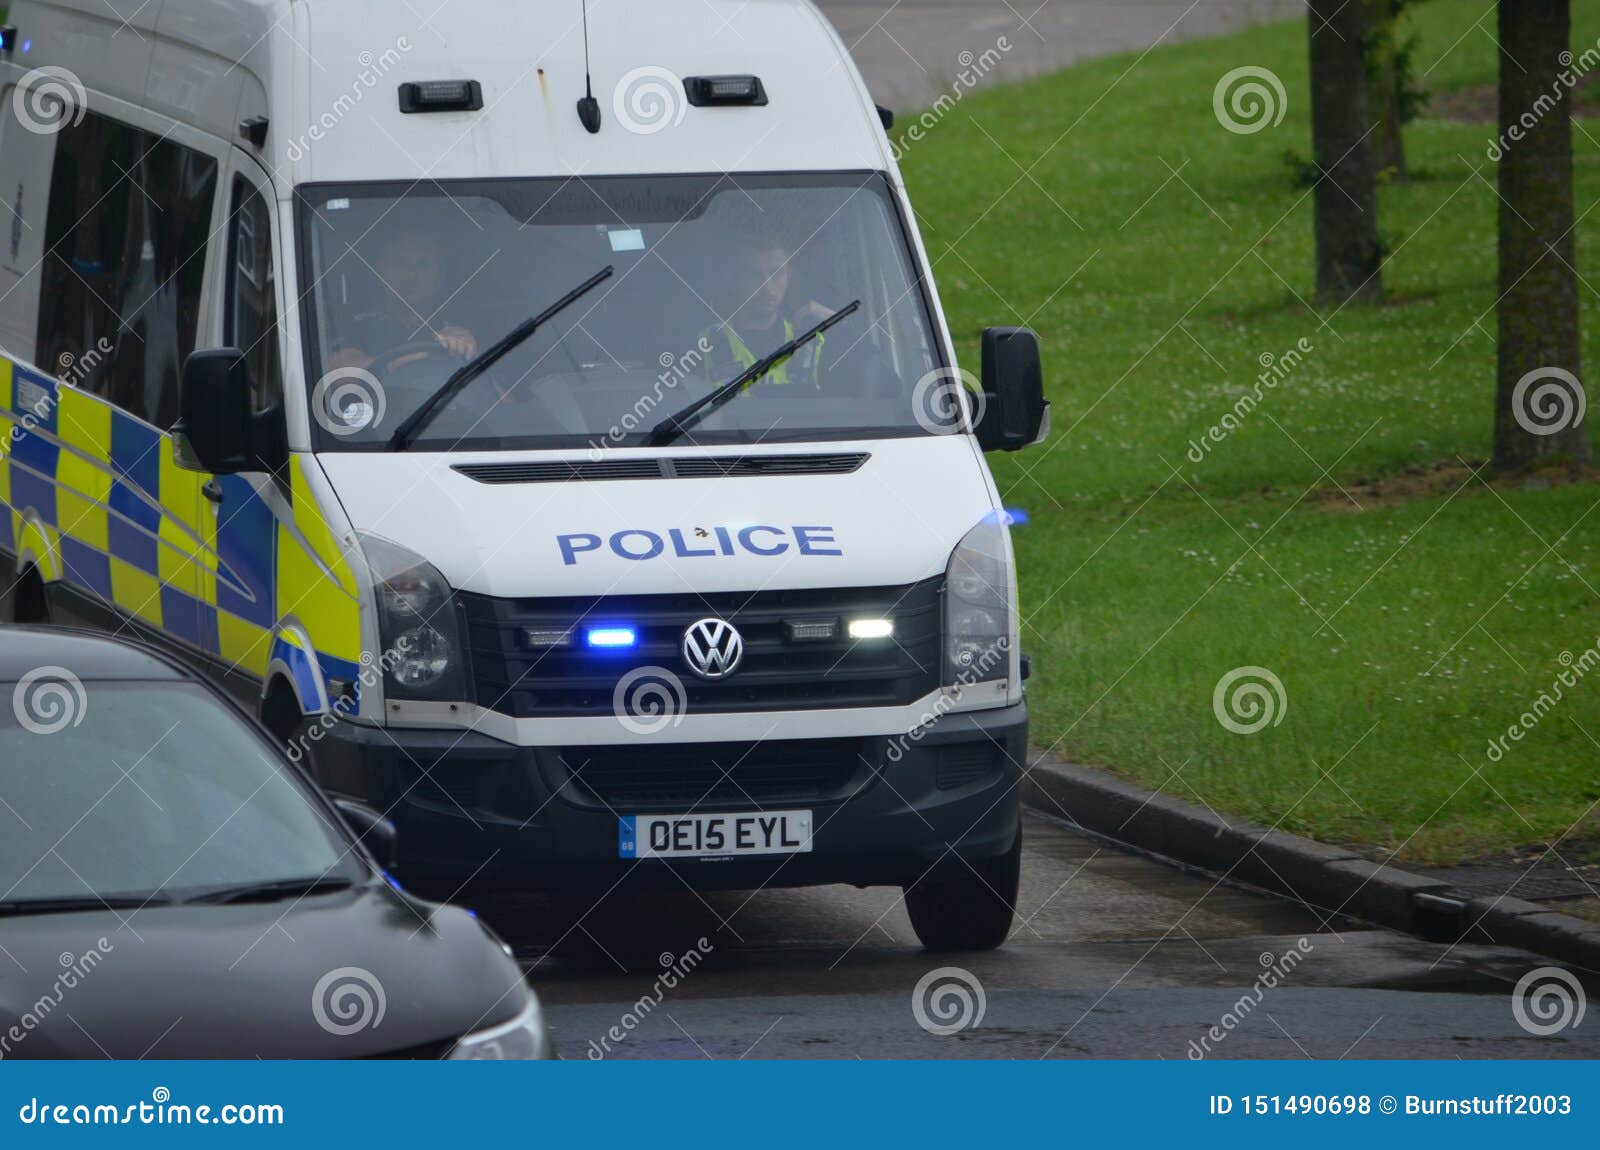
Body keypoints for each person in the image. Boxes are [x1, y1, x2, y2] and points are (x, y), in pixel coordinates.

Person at [325, 226, 478, 374]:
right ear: (379, 273)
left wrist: (469, 354)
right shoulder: (357, 324)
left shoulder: (461, 328)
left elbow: (497, 394)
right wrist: (424, 356)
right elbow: (338, 371)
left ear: (440, 276)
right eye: (399, 263)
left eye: (423, 265)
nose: (411, 276)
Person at [705, 226, 834, 390]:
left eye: (776, 273)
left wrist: (838, 322)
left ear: (789, 275)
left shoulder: (812, 341)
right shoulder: (705, 345)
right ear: (732, 280)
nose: (767, 287)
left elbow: (867, 383)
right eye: (754, 275)